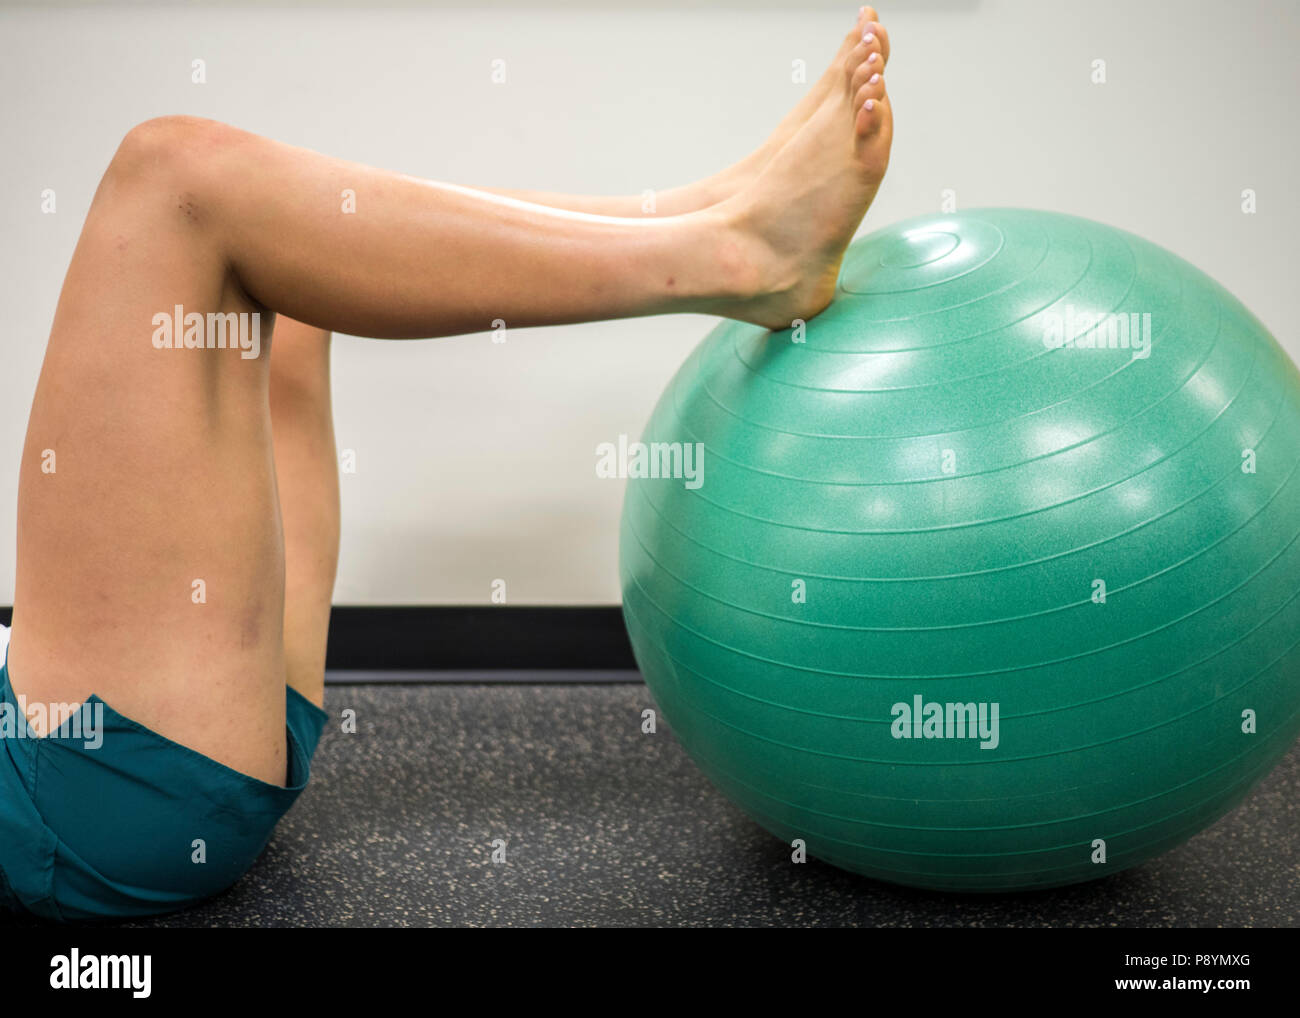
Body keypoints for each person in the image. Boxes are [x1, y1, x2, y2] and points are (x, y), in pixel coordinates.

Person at [0, 9, 893, 920]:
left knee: (295, 281)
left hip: (172, 753)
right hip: (92, 792)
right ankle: (737, 252)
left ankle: (713, 208)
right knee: (173, 177)